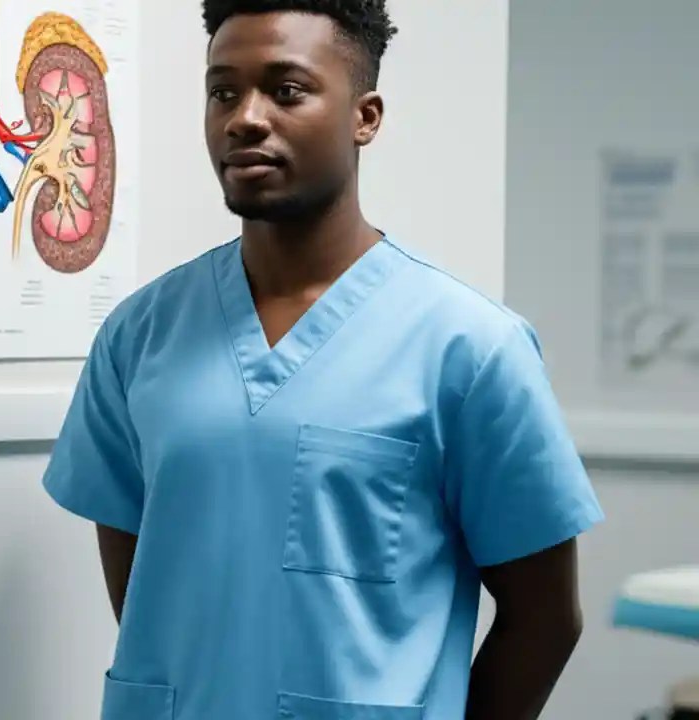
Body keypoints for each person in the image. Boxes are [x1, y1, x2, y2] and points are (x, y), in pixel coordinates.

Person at [41, 1, 605, 718]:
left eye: (286, 90)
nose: (245, 117)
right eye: (223, 91)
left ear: (364, 117)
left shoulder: (470, 347)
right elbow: (147, 592)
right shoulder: (140, 335)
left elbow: (547, 619)